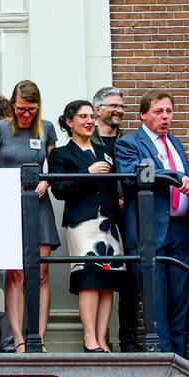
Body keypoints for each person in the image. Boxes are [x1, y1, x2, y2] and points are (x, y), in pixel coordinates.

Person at [115, 90, 189, 355]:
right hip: (149, 235)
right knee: (156, 308)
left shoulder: (176, 142)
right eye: (159, 112)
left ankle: (181, 368)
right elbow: (131, 175)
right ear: (143, 114)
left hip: (182, 234)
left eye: (169, 111)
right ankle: (164, 370)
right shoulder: (129, 143)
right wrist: (174, 175)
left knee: (181, 307)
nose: (166, 117)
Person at [0, 81, 58, 353]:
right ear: (13, 105)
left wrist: (46, 181)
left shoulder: (46, 128)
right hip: (7, 205)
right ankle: (19, 339)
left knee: (42, 273)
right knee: (16, 274)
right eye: (22, 109)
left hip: (38, 205)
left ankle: (39, 338)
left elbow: (55, 165)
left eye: (32, 109)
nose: (26, 114)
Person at [50, 100, 125, 354]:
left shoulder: (104, 150)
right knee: (89, 279)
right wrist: (88, 172)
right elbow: (59, 189)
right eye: (83, 116)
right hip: (82, 222)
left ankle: (103, 340)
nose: (89, 121)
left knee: (108, 280)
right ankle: (89, 339)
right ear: (69, 122)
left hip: (109, 223)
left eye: (92, 116)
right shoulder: (60, 154)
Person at [92, 87, 141, 353]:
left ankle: (129, 340)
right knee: (101, 277)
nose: (120, 110)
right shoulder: (90, 142)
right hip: (102, 218)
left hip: (129, 217)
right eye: (114, 105)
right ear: (97, 109)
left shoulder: (129, 141)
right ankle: (101, 340)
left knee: (131, 280)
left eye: (122, 106)